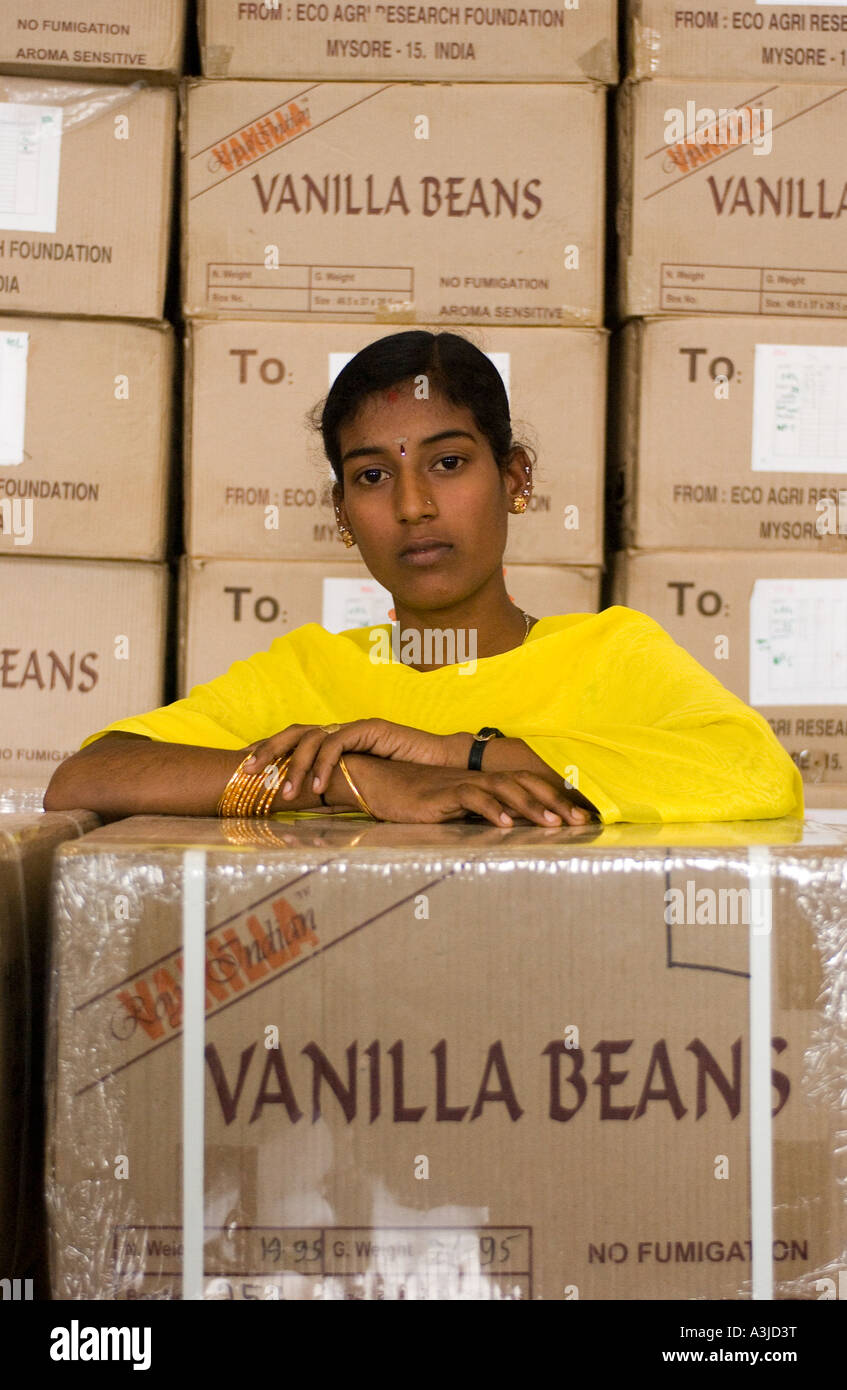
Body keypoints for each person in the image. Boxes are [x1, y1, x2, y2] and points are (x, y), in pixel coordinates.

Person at [44, 331, 804, 828]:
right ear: (341, 511)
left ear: (514, 477)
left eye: (447, 463)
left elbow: (754, 772)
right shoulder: (311, 672)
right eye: (372, 476)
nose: (413, 507)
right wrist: (359, 781)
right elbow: (87, 778)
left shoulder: (610, 652)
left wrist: (450, 753)